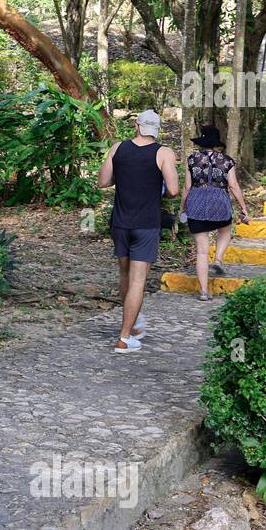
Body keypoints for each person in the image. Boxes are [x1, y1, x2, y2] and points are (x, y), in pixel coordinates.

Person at [98, 109, 179, 353]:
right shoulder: (163, 152)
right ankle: (124, 337)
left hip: (120, 223)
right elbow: (174, 190)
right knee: (137, 281)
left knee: (125, 276)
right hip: (146, 224)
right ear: (157, 130)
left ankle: (131, 327)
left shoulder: (117, 148)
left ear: (136, 126)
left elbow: (103, 181)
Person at [180, 125, 250, 301]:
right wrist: (243, 207)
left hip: (196, 203)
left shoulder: (191, 160)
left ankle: (204, 291)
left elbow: (187, 187)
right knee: (225, 229)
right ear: (215, 143)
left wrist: (182, 207)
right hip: (219, 202)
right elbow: (233, 186)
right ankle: (218, 259)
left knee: (201, 252)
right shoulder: (227, 161)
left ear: (202, 143)